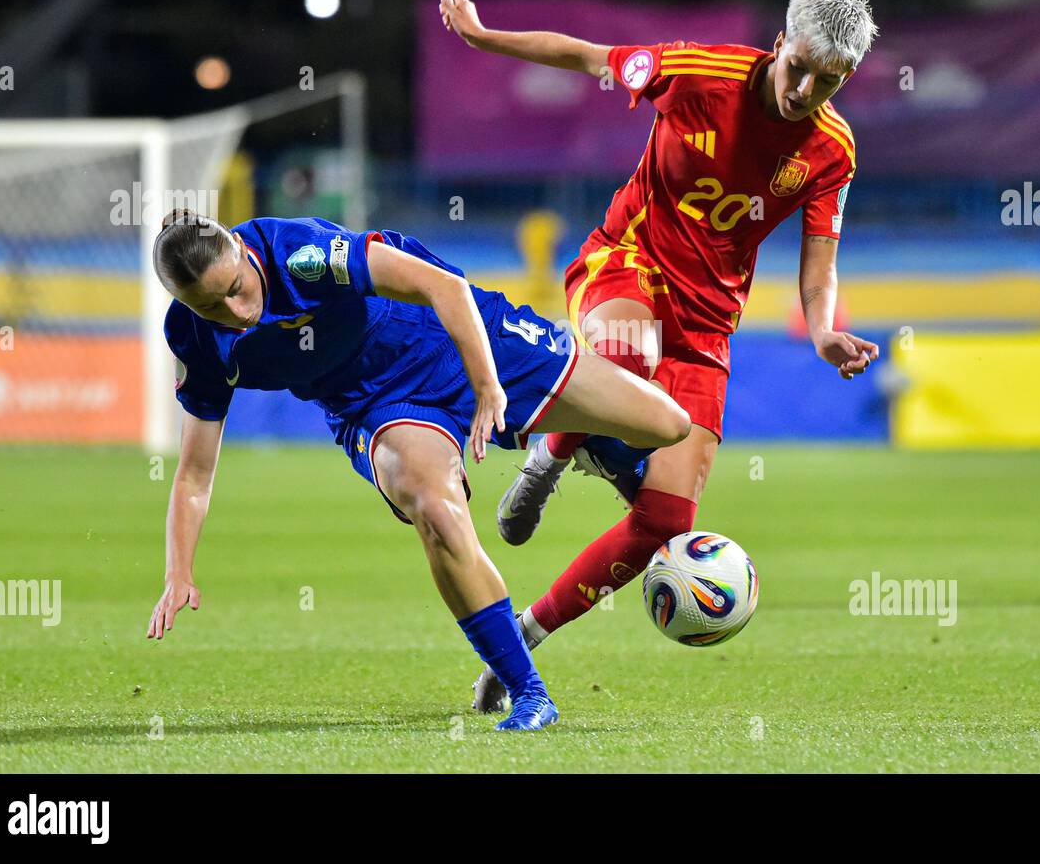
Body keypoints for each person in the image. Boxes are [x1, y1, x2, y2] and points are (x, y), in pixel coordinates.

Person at [438, 0, 880, 710]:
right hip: (626, 263)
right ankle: (548, 456)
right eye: (798, 66)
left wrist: (824, 327)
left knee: (667, 521)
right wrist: (486, 39)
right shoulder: (696, 71)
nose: (804, 90)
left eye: (826, 81)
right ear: (778, 44)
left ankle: (525, 638)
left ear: (846, 79)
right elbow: (585, 57)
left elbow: (820, 260)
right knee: (626, 358)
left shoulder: (831, 151)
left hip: (708, 326)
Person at [144, 210, 690, 730]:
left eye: (235, 288)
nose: (237, 313)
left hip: (452, 333)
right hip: (377, 401)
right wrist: (177, 572)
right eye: (211, 307)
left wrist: (486, 386)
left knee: (666, 425)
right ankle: (530, 694)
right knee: (433, 506)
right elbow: (194, 472)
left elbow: (444, 288)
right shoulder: (194, 340)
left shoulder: (300, 255)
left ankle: (560, 447)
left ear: (240, 250)